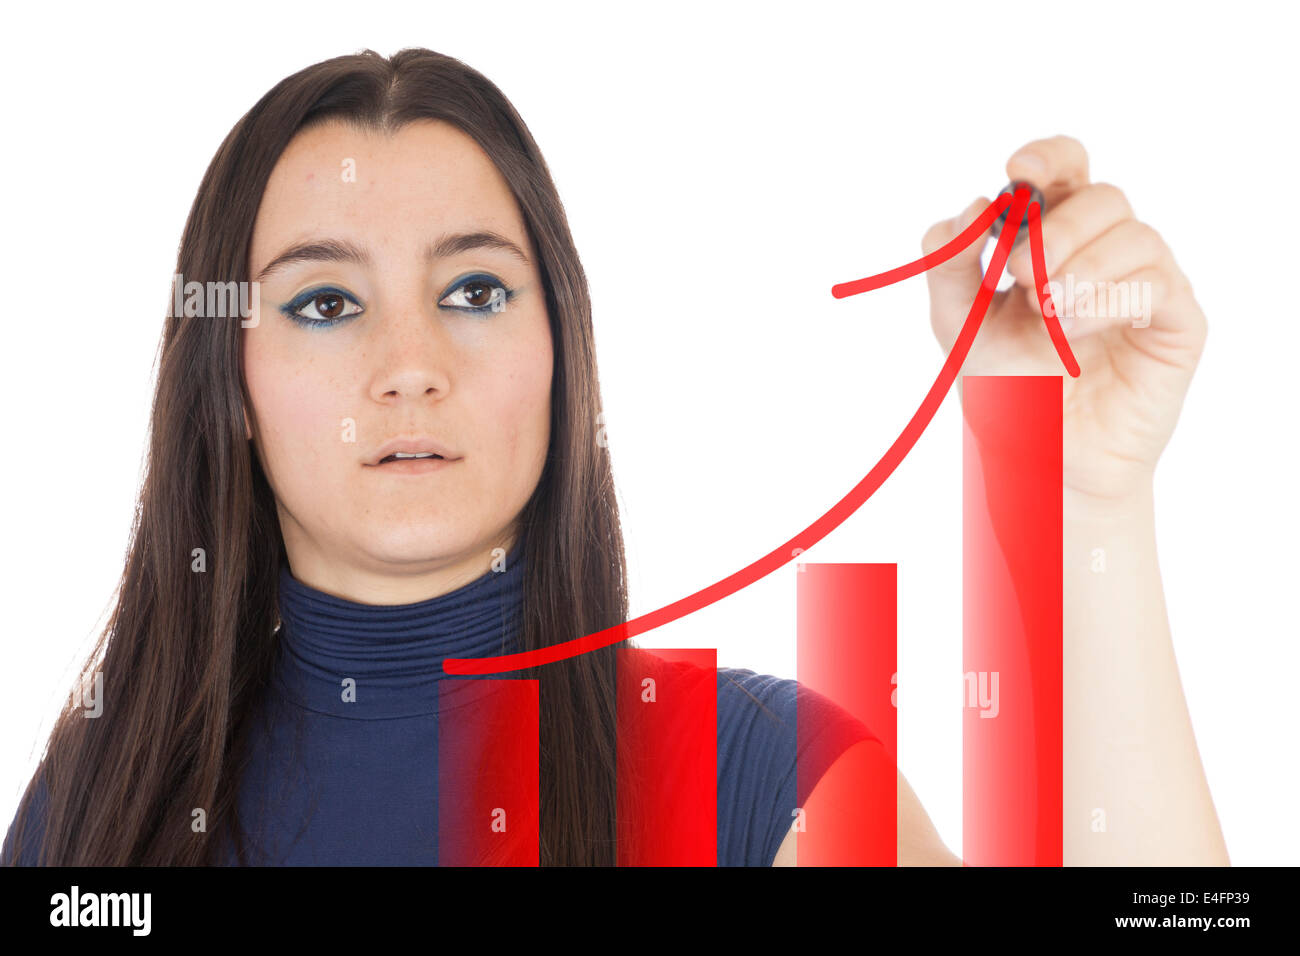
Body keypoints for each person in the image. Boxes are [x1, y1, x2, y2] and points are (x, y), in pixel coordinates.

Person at [2, 48, 1227, 867]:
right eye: (325, 303)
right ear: (230, 382)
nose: (410, 361)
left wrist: (1085, 503)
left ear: (562, 350)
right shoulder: (101, 806)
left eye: (475, 287)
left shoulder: (752, 777)